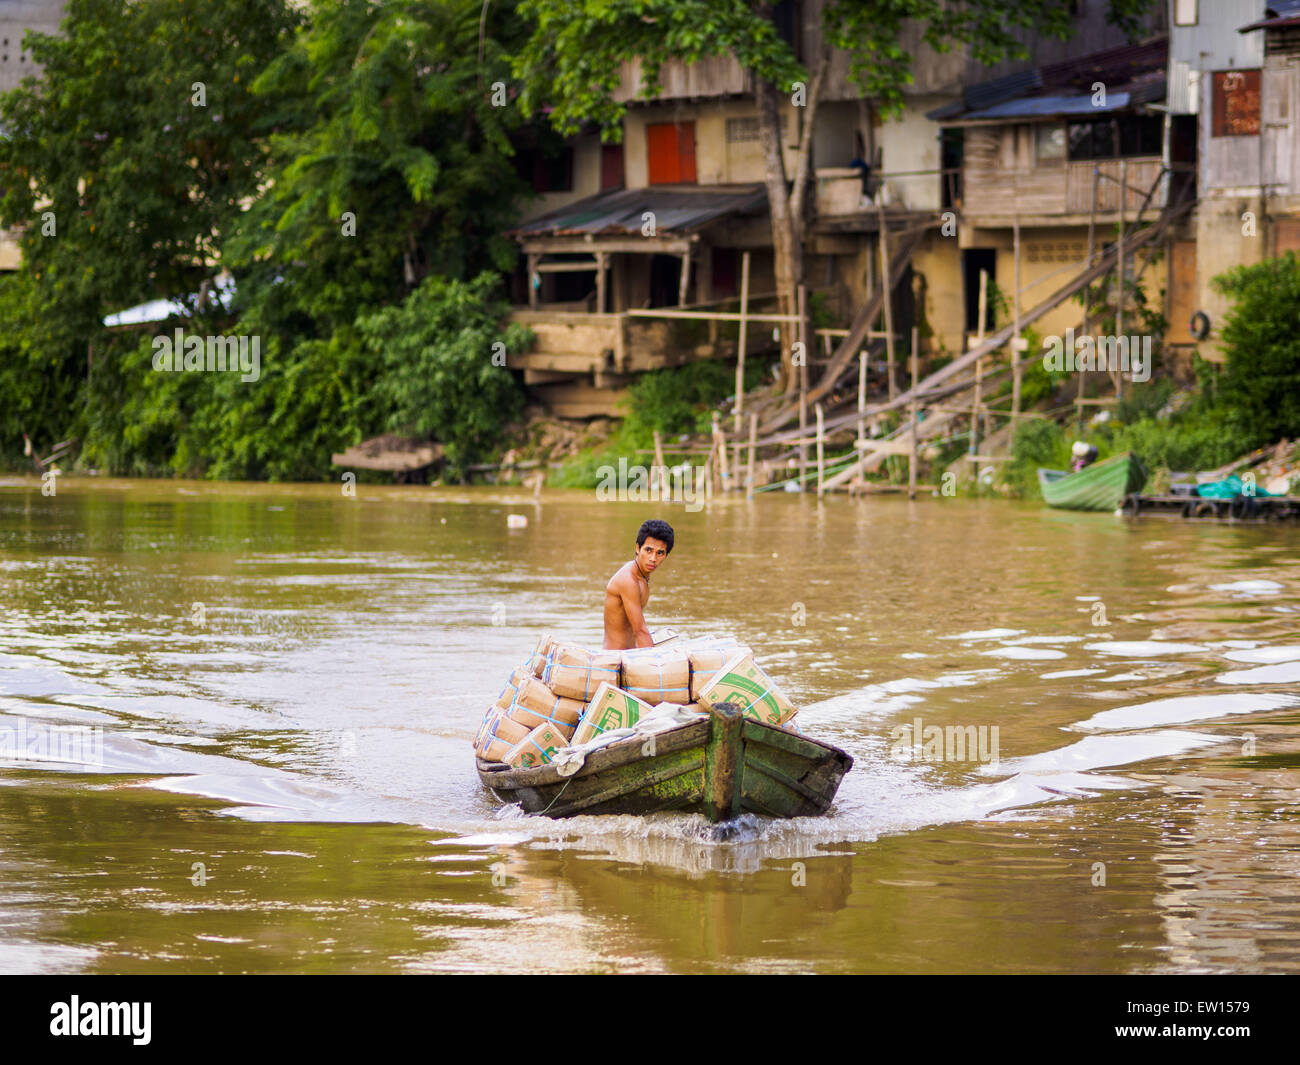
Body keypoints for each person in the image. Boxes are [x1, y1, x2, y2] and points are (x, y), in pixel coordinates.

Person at [603, 519, 673, 650]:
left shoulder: (642, 577)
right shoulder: (628, 580)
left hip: (630, 655)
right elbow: (640, 631)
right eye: (648, 550)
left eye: (660, 553)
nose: (653, 558)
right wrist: (655, 664)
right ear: (637, 548)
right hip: (615, 661)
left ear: (666, 555)